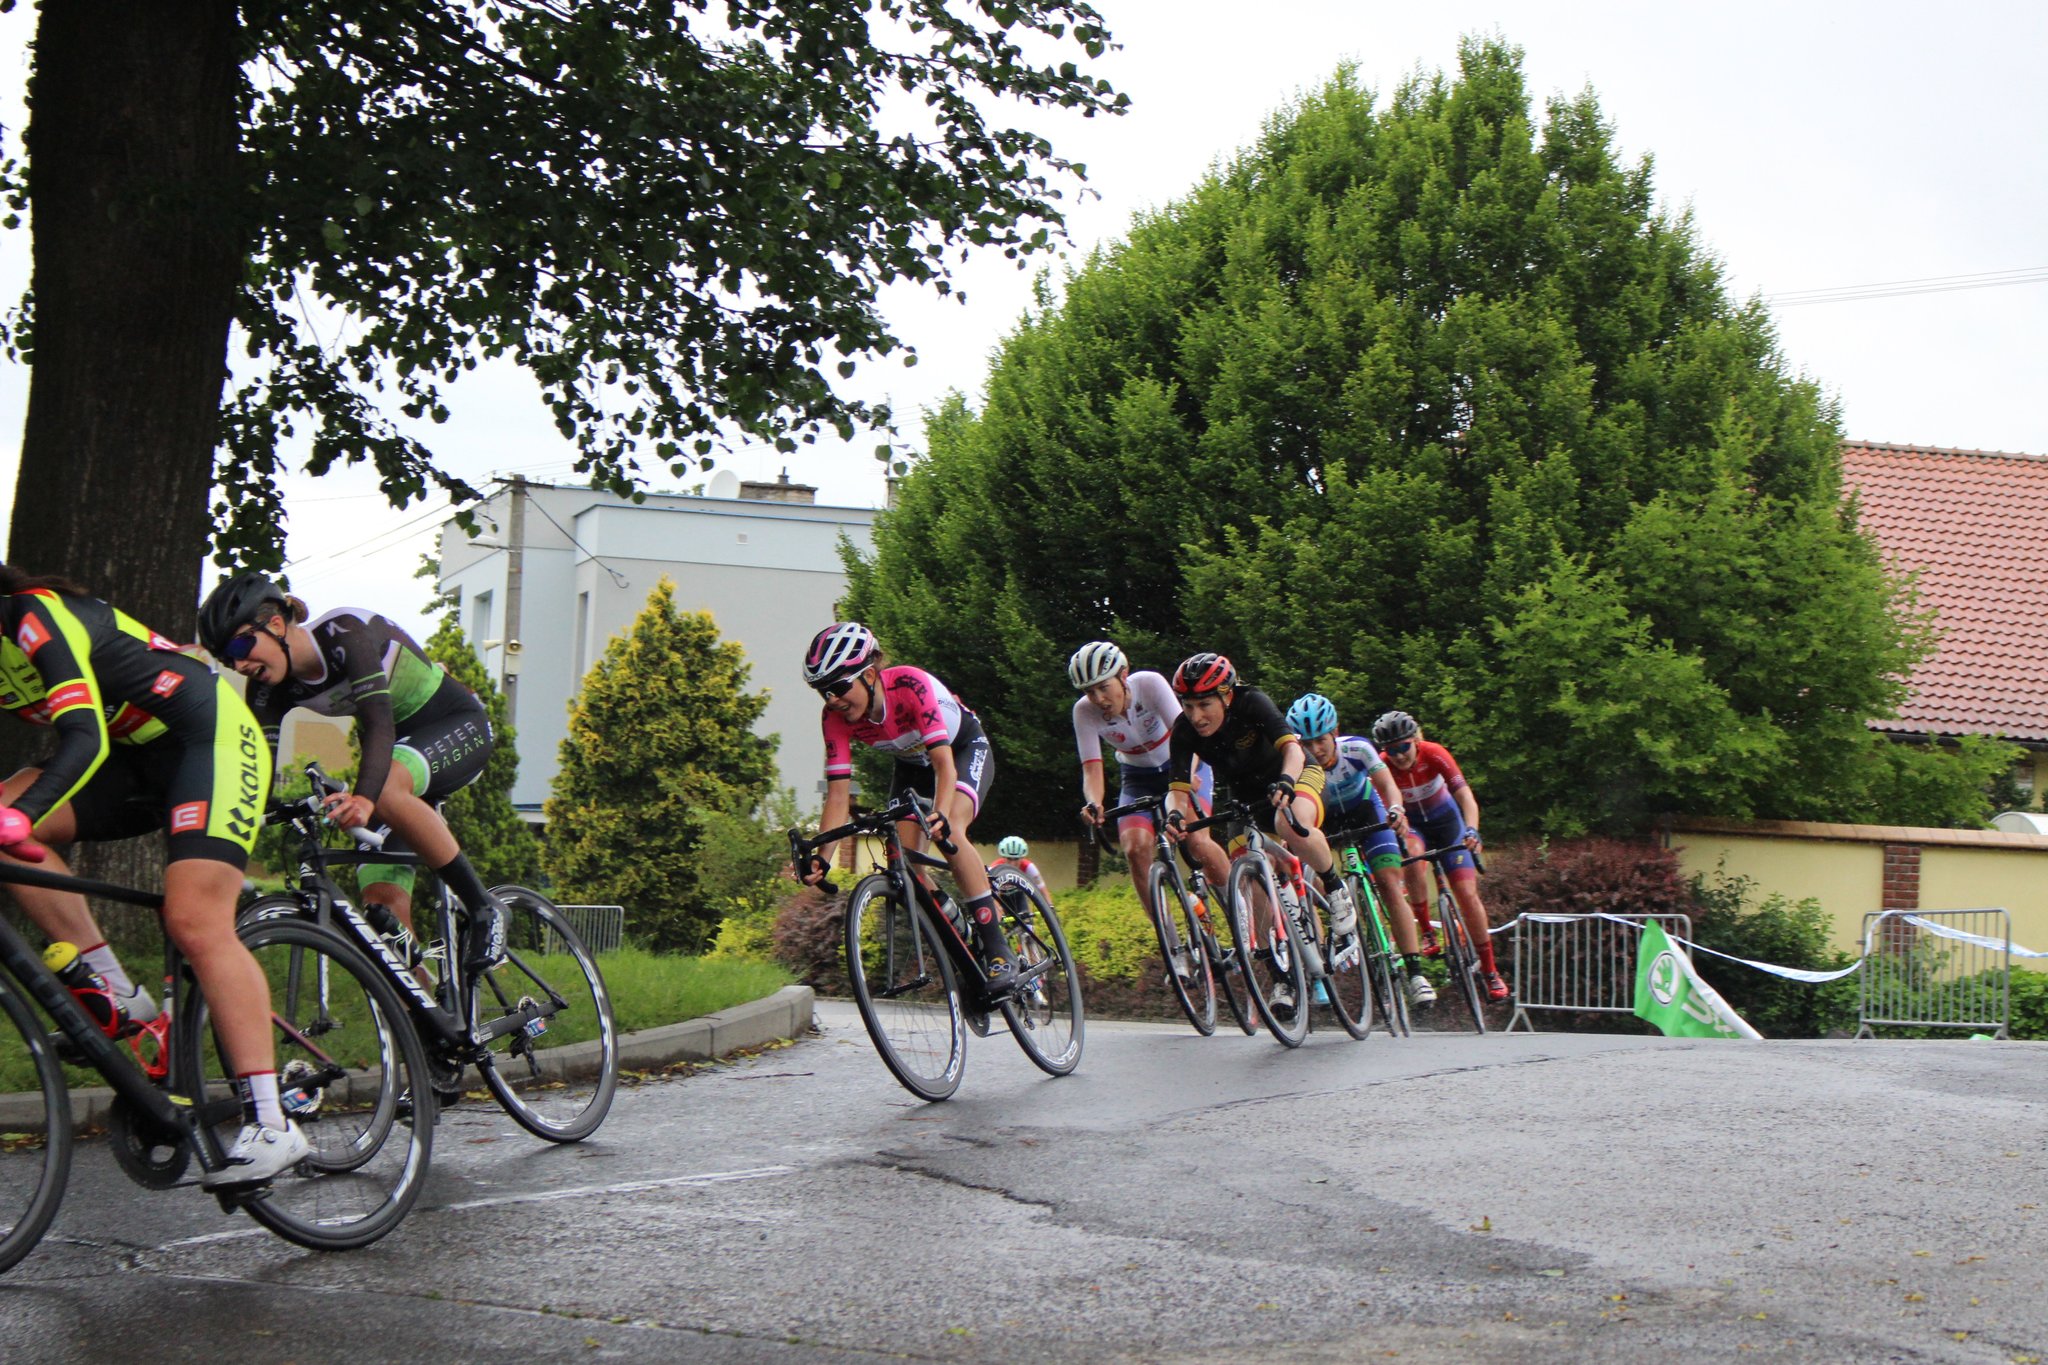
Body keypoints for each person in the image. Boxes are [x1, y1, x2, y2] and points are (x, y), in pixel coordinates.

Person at [0, 566, 309, 1186]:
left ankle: (273, 1124)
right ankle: (118, 991)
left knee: (195, 919)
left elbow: (81, 738)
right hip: (132, 756)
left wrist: (23, 816)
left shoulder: (33, 616)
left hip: (207, 736)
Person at [196, 573, 504, 976]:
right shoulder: (267, 690)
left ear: (274, 625)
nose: (239, 664)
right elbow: (258, 768)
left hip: (453, 723)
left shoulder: (343, 632)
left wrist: (365, 797)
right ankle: (430, 1025)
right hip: (391, 759)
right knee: (382, 916)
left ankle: (484, 907)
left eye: (240, 645)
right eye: (226, 658)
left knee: (388, 792)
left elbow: (379, 723)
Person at [794, 623, 1019, 990]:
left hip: (961, 750)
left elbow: (944, 767)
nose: (832, 700)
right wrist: (823, 856)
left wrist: (942, 815)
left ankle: (997, 949)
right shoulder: (834, 718)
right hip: (913, 766)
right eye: (822, 692)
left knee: (953, 832)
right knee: (907, 866)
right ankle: (960, 934)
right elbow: (838, 795)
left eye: (837, 687)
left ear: (868, 675)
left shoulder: (910, 687)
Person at [1161, 653, 1353, 1020]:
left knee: (1287, 824)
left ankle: (1335, 888)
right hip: (1244, 798)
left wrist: (1285, 781)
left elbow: (1293, 749)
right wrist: (1174, 812)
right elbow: (1178, 788)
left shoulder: (1251, 701)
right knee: (1246, 875)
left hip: (1293, 774)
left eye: (1204, 704)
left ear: (1227, 696)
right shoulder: (1184, 730)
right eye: (1188, 705)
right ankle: (1279, 976)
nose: (1196, 715)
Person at [1284, 693, 1436, 1008]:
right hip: (1325, 822)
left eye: (1321, 741)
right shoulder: (1299, 765)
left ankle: (1415, 973)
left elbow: (1387, 785)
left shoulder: (1358, 749)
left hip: (1366, 812)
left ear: (1335, 732)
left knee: (1390, 884)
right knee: (1307, 885)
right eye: (1306, 744)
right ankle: (1319, 973)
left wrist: (1396, 808)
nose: (1315, 750)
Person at [1372, 710, 1509, 1002]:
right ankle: (1426, 931)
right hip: (1416, 828)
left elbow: (1465, 796)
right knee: (1412, 856)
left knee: (1466, 894)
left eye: (1403, 747)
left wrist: (1472, 829)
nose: (1398, 755)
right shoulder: (1383, 766)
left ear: (1415, 740)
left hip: (1448, 824)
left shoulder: (1434, 754)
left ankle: (1490, 970)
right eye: (1391, 750)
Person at [989, 835, 1050, 900]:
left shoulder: (1029, 867)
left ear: (1022, 858)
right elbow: (990, 894)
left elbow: (1042, 889)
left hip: (1020, 897)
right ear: (1003, 857)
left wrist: (1051, 907)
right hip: (1000, 897)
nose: (1012, 863)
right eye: (1009, 859)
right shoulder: (995, 868)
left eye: (1016, 859)